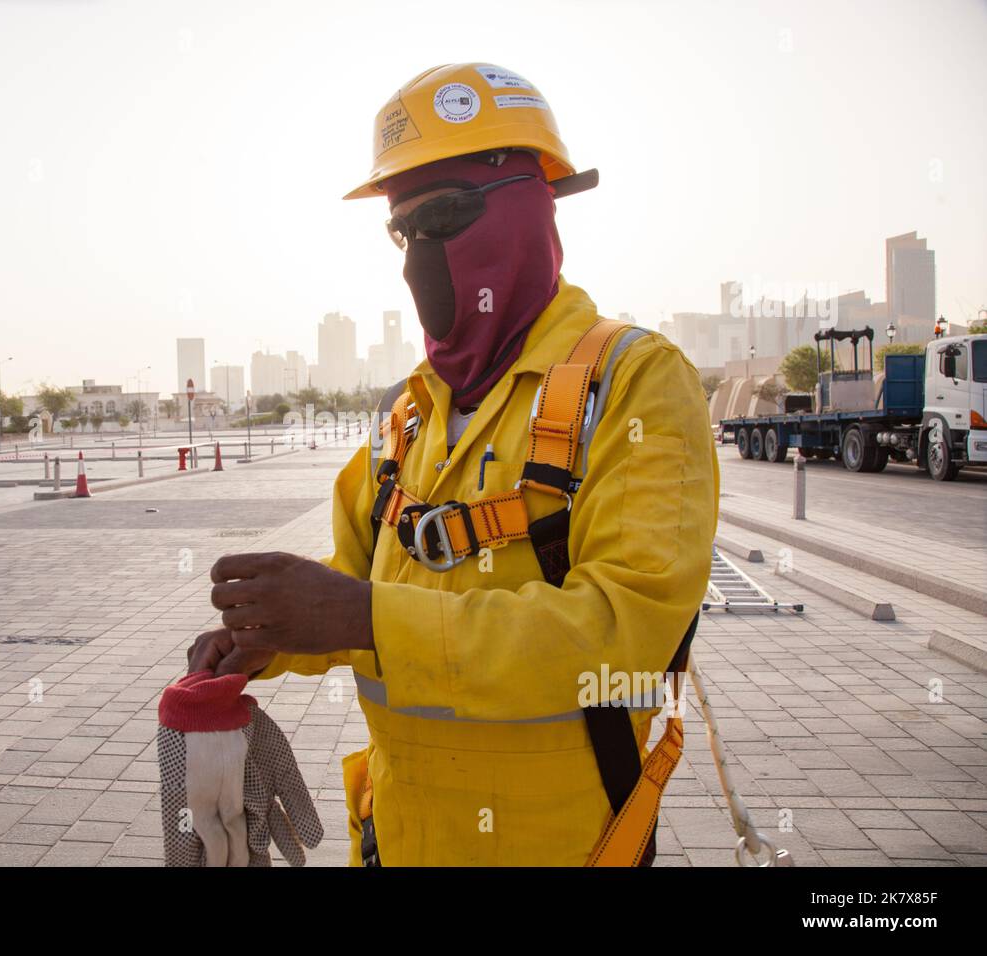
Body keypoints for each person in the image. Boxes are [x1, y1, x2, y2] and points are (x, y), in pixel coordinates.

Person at [187, 62, 718, 866]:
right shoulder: (410, 411)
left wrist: (359, 615)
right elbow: (363, 582)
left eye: (444, 218)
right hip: (399, 839)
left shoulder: (635, 381)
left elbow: (622, 639)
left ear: (529, 208)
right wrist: (272, 638)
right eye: (403, 230)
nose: (419, 256)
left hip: (564, 849)